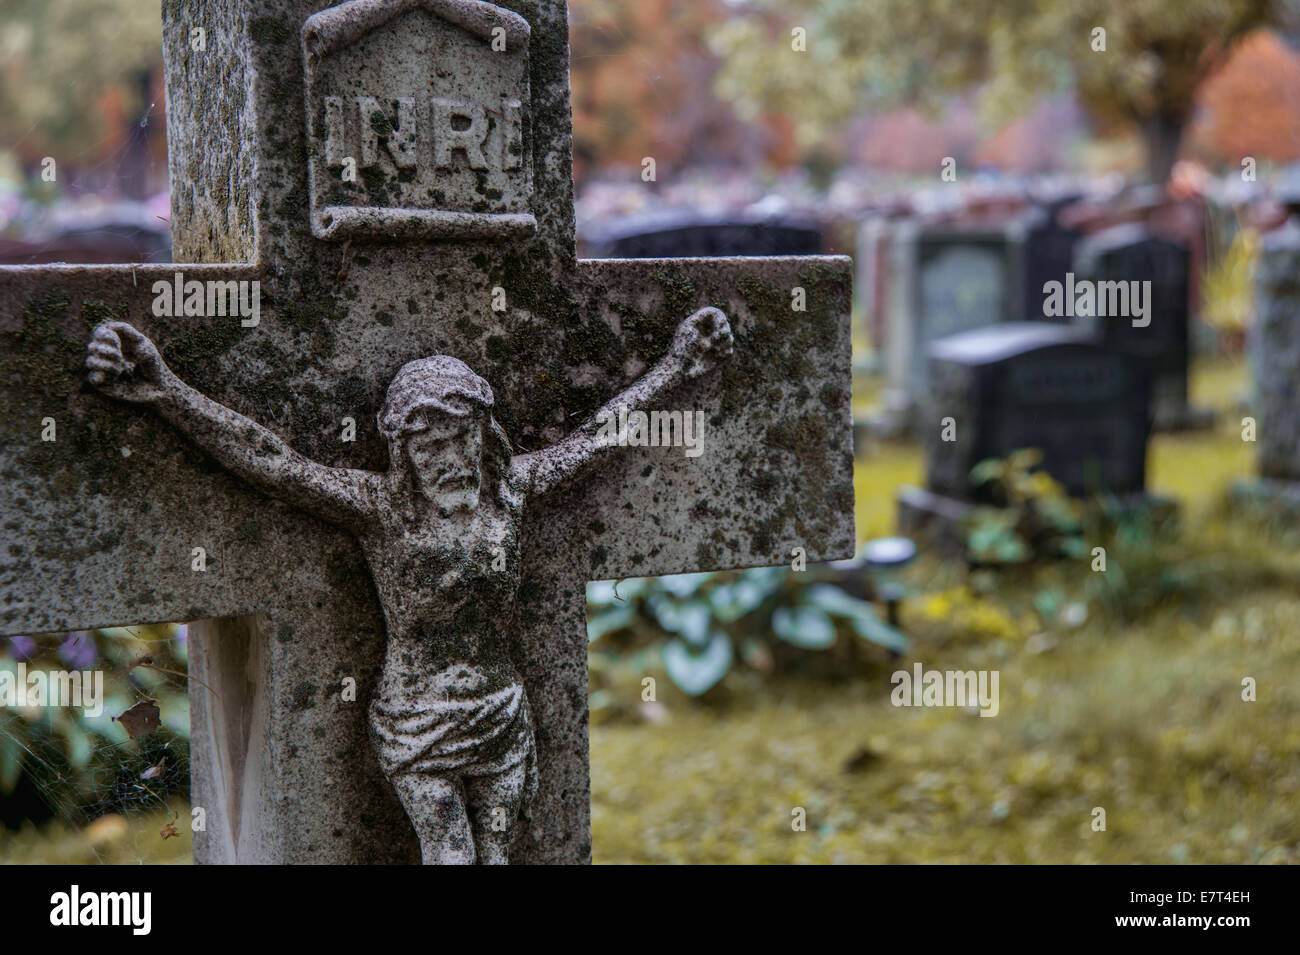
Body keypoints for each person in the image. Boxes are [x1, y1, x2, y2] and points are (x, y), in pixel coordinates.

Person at [84, 306, 733, 863]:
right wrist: (166, 391)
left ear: (484, 434)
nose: (449, 460)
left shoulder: (511, 491)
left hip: (501, 711)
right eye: (429, 446)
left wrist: (679, 367)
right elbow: (273, 460)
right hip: (418, 723)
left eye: (460, 439)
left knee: (498, 852)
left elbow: (600, 437)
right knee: (450, 852)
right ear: (403, 451)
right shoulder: (381, 510)